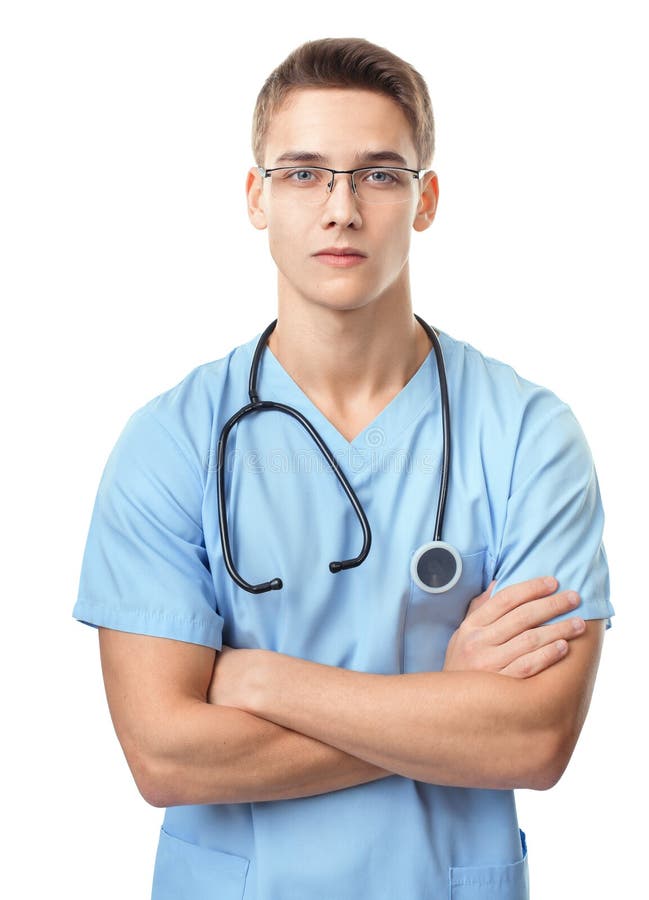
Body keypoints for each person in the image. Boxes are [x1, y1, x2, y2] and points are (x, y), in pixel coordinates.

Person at [72, 37, 615, 900]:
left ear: (424, 199)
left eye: (378, 174)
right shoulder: (173, 441)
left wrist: (259, 680)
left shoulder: (525, 436)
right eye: (302, 173)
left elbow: (532, 742)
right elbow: (164, 755)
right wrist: (442, 702)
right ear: (256, 196)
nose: (340, 208)